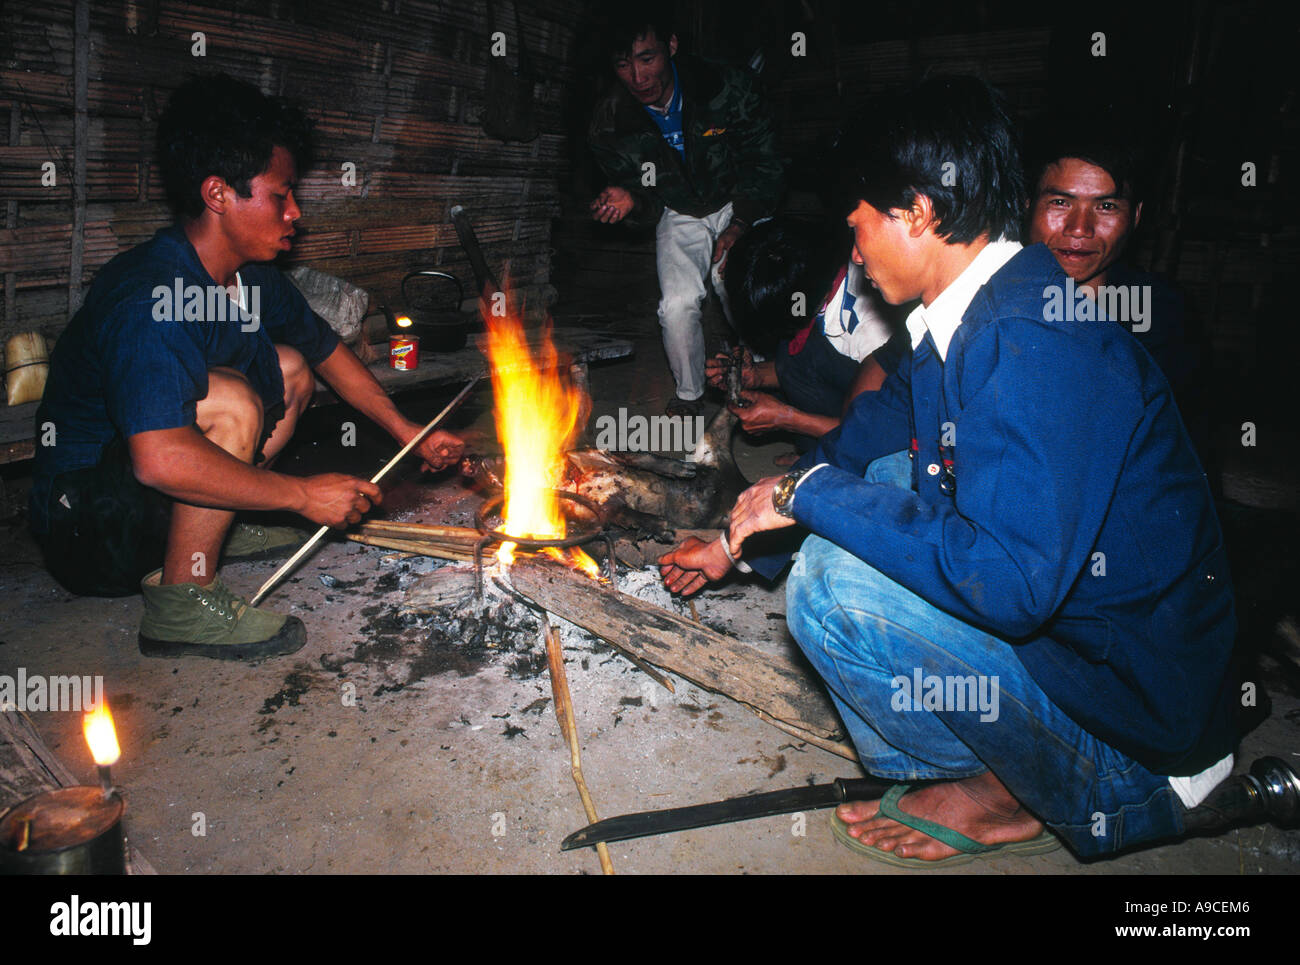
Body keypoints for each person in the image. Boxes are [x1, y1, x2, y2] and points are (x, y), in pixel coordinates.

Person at [658, 76, 1246, 864]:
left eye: (860, 216)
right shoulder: (969, 314)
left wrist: (811, 496)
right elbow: (864, 438)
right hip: (1092, 663)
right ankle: (1007, 768)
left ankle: (1014, 787)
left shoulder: (1033, 341)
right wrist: (740, 540)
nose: (852, 240)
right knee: (881, 480)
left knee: (835, 585)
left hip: (1142, 734)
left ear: (919, 212)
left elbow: (1008, 581)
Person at [30, 74, 465, 661]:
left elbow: (327, 352)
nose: (296, 213)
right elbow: (159, 459)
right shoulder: (149, 294)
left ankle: (216, 525)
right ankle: (181, 603)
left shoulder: (250, 277)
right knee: (233, 399)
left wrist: (407, 432)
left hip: (147, 502)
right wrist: (299, 495)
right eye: (281, 195)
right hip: (90, 527)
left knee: (289, 367)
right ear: (218, 194)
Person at [587, 13, 785, 417]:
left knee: (740, 285)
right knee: (676, 305)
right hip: (679, 208)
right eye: (624, 65)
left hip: (738, 199)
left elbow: (765, 164)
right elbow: (647, 199)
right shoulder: (611, 122)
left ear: (671, 47)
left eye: (647, 59)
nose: (637, 77)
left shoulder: (726, 88)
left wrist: (740, 224)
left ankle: (770, 379)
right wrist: (631, 201)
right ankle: (690, 395)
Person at [1025, 128, 1211, 478]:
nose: (1080, 228)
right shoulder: (990, 297)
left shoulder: (1159, 314)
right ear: (1027, 207)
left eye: (1106, 206)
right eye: (1060, 202)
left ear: (1136, 217)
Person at [706, 219, 906, 453]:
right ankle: (813, 451)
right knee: (797, 344)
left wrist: (786, 418)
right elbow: (802, 364)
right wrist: (755, 376)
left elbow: (867, 435)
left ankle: (825, 458)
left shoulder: (873, 329)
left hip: (886, 435)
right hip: (843, 368)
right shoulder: (813, 280)